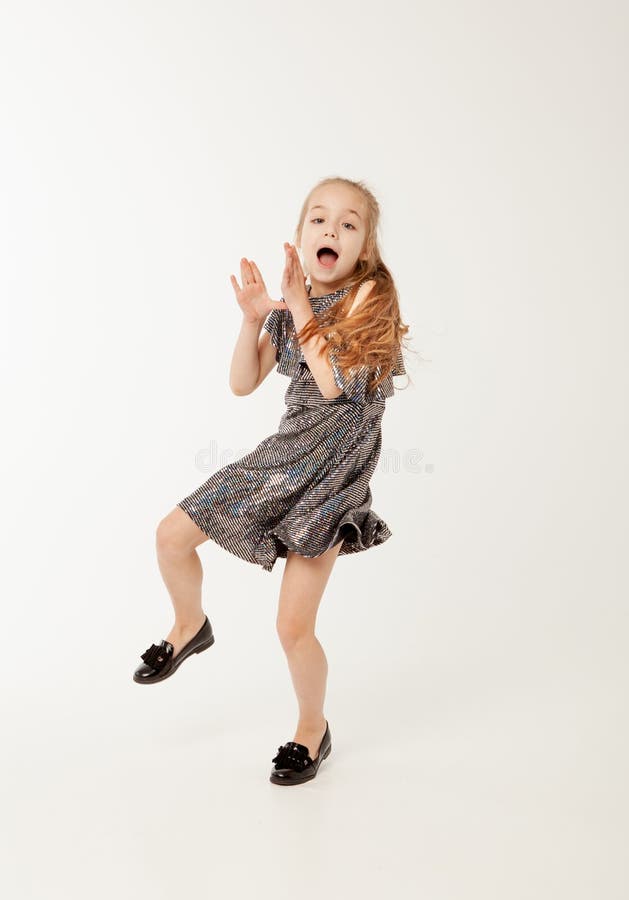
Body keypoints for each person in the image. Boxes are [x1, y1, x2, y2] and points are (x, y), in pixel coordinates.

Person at [133, 176, 411, 785]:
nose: (330, 229)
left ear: (363, 248)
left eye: (347, 223)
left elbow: (337, 383)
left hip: (332, 475)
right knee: (170, 536)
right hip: (282, 458)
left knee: (292, 628)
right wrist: (256, 318)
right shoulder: (292, 309)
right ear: (299, 236)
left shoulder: (368, 295)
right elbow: (242, 381)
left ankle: (313, 726)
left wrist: (299, 307)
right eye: (318, 219)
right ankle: (189, 626)